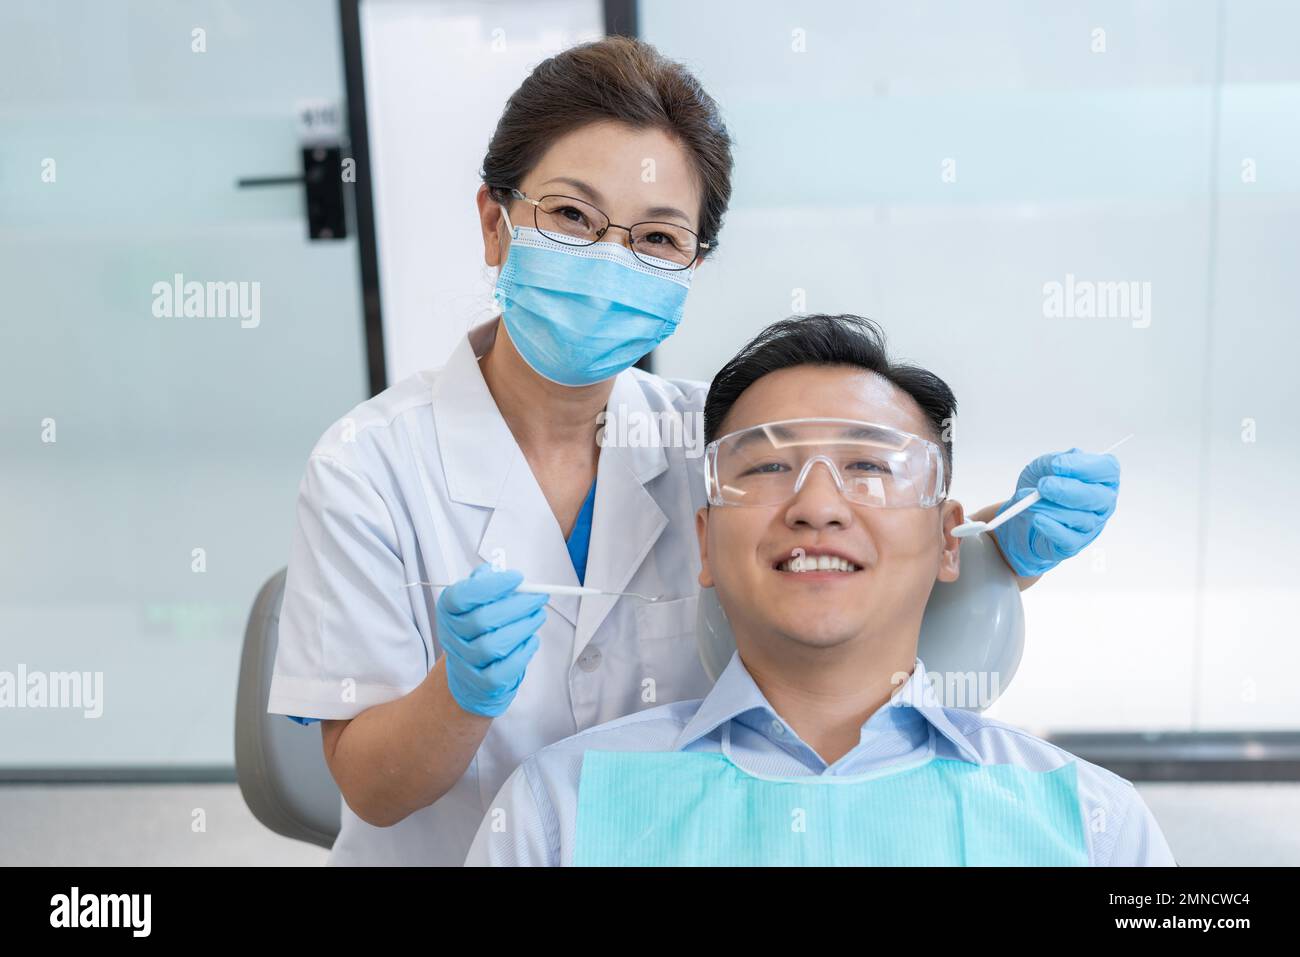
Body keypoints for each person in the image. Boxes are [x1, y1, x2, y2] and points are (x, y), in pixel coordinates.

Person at [268, 38, 1123, 866]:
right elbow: (373, 790)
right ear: (495, 222)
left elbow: (856, 579)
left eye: (656, 239)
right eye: (570, 216)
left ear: (691, 264)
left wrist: (999, 552)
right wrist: (458, 694)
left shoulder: (723, 445)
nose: (610, 259)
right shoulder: (369, 466)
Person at [465, 314, 1168, 867]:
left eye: (868, 464)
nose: (818, 506)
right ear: (705, 542)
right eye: (769, 466)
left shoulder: (1093, 821)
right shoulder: (561, 809)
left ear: (949, 541)